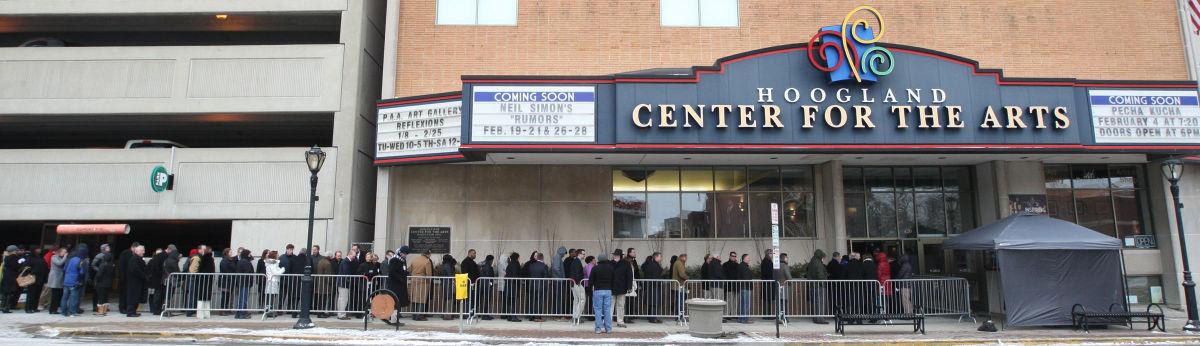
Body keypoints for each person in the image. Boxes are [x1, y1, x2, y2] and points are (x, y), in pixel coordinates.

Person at [589, 253, 616, 334]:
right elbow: (614, 280)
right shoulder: (611, 268)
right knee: (607, 310)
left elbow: (591, 280)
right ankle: (608, 329)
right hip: (608, 290)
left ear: (599, 260)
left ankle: (598, 328)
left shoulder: (595, 268)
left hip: (598, 290)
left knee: (598, 310)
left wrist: (589, 288)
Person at [60, 245, 89, 317]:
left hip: (66, 281)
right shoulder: (82, 261)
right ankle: (72, 312)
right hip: (74, 282)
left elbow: (64, 269)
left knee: (65, 297)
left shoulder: (70, 259)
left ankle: (63, 312)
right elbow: (82, 273)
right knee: (74, 298)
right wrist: (80, 281)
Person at [386, 246, 411, 326]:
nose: (405, 255)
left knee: (398, 302)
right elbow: (392, 272)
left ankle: (395, 319)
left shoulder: (402, 260)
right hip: (395, 285)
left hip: (400, 285)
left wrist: (406, 273)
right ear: (400, 253)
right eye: (404, 254)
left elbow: (403, 270)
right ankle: (393, 320)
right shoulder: (394, 260)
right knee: (394, 302)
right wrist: (400, 278)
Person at [524, 252, 549, 322]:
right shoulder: (544, 266)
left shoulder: (531, 265)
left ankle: (531, 316)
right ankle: (538, 316)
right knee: (539, 301)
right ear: (542, 258)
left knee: (532, 301)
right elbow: (546, 277)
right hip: (540, 286)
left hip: (532, 285)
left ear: (537, 257)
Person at [805, 249, 829, 324]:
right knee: (820, 302)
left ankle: (816, 318)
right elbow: (820, 275)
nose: (823, 258)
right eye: (823, 257)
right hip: (819, 285)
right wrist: (825, 280)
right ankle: (820, 318)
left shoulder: (812, 261)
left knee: (815, 302)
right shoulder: (818, 263)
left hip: (813, 285)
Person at [355, 252, 382, 318]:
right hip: (363, 285)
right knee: (362, 299)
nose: (368, 258)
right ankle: (360, 313)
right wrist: (366, 273)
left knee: (371, 299)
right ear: (365, 258)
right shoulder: (362, 265)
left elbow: (375, 273)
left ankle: (370, 313)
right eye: (367, 257)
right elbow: (358, 273)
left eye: (369, 257)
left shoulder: (373, 265)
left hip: (371, 284)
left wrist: (372, 274)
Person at [611, 249, 633, 328]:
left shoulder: (626, 264)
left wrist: (629, 287)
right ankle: (608, 321)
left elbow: (629, 276)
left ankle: (620, 321)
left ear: (620, 256)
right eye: (614, 255)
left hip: (622, 287)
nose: (615, 256)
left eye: (616, 255)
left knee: (621, 305)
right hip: (611, 288)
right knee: (610, 305)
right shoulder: (610, 263)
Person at [408, 249, 433, 321]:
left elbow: (409, 270)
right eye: (430, 254)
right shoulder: (427, 261)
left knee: (414, 299)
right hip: (423, 282)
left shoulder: (414, 259)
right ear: (428, 254)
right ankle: (419, 316)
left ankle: (414, 315)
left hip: (414, 281)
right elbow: (429, 274)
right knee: (421, 299)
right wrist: (429, 282)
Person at [640, 252, 664, 323]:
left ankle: (651, 317)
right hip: (654, 285)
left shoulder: (650, 264)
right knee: (654, 302)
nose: (661, 258)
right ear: (656, 257)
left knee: (652, 302)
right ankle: (653, 318)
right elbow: (655, 276)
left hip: (651, 285)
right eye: (660, 256)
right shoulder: (654, 265)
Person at [91, 244, 114, 316]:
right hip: (101, 277)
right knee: (98, 294)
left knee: (104, 295)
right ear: (103, 249)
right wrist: (100, 270)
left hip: (103, 278)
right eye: (107, 247)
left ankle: (102, 309)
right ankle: (96, 307)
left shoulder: (109, 256)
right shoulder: (99, 256)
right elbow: (93, 265)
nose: (109, 248)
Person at [124, 245, 147, 317]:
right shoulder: (135, 259)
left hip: (137, 282)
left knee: (135, 297)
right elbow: (135, 270)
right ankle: (130, 312)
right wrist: (144, 276)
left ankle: (133, 311)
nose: (144, 252)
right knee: (133, 297)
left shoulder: (137, 258)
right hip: (134, 282)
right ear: (137, 251)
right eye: (142, 250)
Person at [193, 245, 216, 319]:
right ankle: (207, 314)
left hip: (202, 280)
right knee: (207, 298)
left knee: (201, 297)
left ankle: (200, 314)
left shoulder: (203, 258)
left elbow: (200, 269)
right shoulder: (211, 259)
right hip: (209, 280)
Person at [116, 242, 138, 315]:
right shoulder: (125, 253)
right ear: (133, 247)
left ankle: (126, 307)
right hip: (124, 278)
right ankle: (122, 308)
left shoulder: (133, 254)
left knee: (128, 294)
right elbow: (122, 266)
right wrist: (122, 277)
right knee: (123, 294)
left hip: (130, 279)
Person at [336, 248, 357, 320]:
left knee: (341, 299)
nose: (354, 257)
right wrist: (350, 280)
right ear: (349, 254)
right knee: (343, 299)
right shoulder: (346, 261)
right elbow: (346, 273)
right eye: (353, 256)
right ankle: (342, 314)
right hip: (344, 283)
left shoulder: (346, 261)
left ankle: (340, 314)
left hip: (342, 282)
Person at [565, 248, 586, 324]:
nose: (584, 255)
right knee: (581, 300)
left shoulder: (575, 261)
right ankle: (577, 316)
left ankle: (575, 316)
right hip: (577, 284)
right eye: (583, 254)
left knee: (576, 301)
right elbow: (576, 273)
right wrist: (578, 283)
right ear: (579, 254)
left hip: (575, 283)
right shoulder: (577, 262)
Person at [312, 246, 334, 318]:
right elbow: (328, 276)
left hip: (319, 284)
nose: (332, 258)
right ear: (329, 256)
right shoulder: (328, 263)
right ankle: (321, 313)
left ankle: (320, 312)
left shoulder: (320, 261)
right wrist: (331, 284)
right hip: (325, 285)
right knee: (323, 300)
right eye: (331, 257)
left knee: (320, 300)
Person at [145, 245, 167, 316]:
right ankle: (153, 308)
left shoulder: (162, 261)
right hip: (153, 281)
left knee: (156, 295)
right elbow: (148, 271)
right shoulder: (152, 261)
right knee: (153, 295)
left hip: (157, 281)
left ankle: (154, 308)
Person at [25, 247, 48, 313]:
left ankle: (34, 307)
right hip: (33, 278)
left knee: (37, 294)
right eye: (38, 249)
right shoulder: (30, 258)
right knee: (31, 294)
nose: (39, 250)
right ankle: (28, 308)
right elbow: (26, 267)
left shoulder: (40, 257)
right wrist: (31, 272)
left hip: (40, 278)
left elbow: (45, 267)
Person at [1, 246, 23, 313]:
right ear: (14, 250)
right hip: (12, 276)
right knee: (10, 292)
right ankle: (6, 308)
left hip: (6, 276)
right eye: (16, 250)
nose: (17, 251)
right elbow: (15, 266)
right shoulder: (14, 257)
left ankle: (2, 306)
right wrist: (20, 262)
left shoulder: (6, 257)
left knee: (5, 293)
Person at [234, 249, 254, 319]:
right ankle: (242, 313)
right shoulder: (245, 262)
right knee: (243, 298)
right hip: (245, 282)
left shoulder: (242, 261)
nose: (250, 255)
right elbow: (248, 272)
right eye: (249, 254)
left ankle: (239, 313)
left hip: (243, 282)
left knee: (242, 298)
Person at [263, 251, 284, 318]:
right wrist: (283, 269)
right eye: (277, 255)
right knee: (271, 297)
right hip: (272, 282)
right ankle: (269, 311)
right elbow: (276, 273)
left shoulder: (271, 263)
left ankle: (269, 311)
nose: (278, 256)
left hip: (272, 281)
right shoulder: (272, 264)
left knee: (271, 297)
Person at [503, 252, 523, 322]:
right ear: (516, 258)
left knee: (509, 301)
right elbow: (515, 275)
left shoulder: (509, 264)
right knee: (513, 301)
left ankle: (509, 316)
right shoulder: (515, 264)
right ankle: (513, 317)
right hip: (513, 285)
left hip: (509, 284)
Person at [161, 245, 180, 317]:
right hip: (171, 280)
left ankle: (165, 310)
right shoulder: (173, 260)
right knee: (168, 296)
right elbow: (176, 271)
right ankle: (166, 311)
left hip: (166, 280)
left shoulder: (167, 259)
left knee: (166, 296)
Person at [217, 248, 237, 315]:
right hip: (225, 281)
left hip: (230, 281)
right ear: (227, 253)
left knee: (227, 296)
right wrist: (230, 278)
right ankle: (222, 310)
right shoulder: (225, 260)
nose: (231, 253)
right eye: (230, 252)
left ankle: (225, 309)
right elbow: (225, 270)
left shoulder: (230, 260)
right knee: (225, 296)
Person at [438, 254, 458, 320]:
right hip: (449, 284)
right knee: (449, 300)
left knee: (446, 299)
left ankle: (445, 314)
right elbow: (450, 275)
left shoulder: (443, 265)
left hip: (444, 283)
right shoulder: (448, 266)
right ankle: (448, 316)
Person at [476, 254, 496, 320]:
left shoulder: (480, 264)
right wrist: (490, 284)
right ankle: (485, 315)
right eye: (492, 260)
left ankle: (480, 313)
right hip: (487, 285)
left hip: (480, 284)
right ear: (491, 260)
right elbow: (490, 276)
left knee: (481, 299)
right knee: (486, 300)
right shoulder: (488, 267)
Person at [722, 252, 740, 321]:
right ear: (729, 256)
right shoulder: (725, 265)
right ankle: (727, 314)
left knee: (735, 301)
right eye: (732, 256)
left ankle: (734, 314)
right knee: (729, 300)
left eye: (735, 256)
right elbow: (724, 275)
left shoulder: (737, 265)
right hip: (729, 286)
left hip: (736, 286)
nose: (734, 257)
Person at [759, 249, 776, 321]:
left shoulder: (767, 261)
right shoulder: (766, 262)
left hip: (769, 283)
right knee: (767, 299)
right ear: (768, 254)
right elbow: (766, 272)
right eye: (771, 253)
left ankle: (768, 314)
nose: (772, 255)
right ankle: (766, 315)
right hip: (767, 283)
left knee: (768, 299)